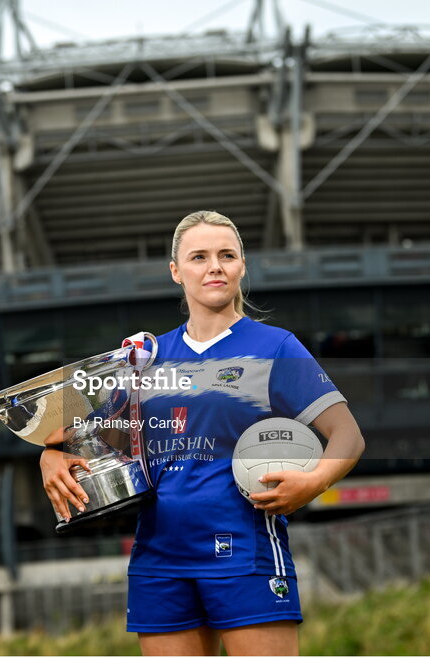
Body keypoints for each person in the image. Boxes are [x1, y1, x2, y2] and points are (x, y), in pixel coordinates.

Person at [40, 210, 365, 656]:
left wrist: (314, 481)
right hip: (159, 558)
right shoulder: (145, 359)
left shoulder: (275, 348)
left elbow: (347, 435)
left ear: (242, 266)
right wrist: (51, 456)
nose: (215, 266)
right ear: (176, 271)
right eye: (199, 257)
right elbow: (83, 439)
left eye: (226, 255)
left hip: (244, 553)